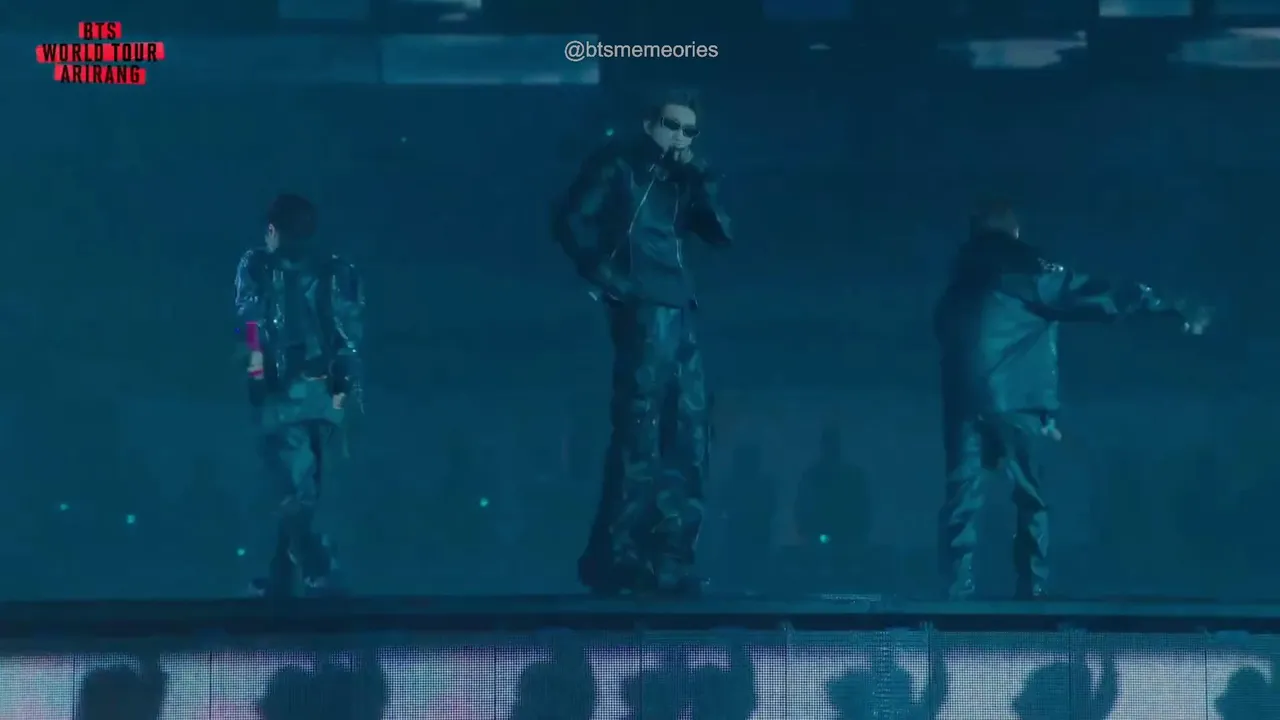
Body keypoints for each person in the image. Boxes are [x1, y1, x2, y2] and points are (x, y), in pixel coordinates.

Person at [933, 201, 1210, 600]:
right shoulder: (1026, 270)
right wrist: (1167, 307)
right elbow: (1094, 295)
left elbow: (946, 335)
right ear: (1014, 232)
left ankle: (954, 592)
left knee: (962, 498)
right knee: (1031, 497)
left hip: (963, 401)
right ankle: (1032, 588)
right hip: (1018, 400)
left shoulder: (958, 284)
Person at [552, 89, 732, 595]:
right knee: (641, 433)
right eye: (672, 125)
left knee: (690, 435)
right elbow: (570, 219)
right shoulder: (620, 163)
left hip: (680, 309)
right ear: (650, 123)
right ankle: (617, 556)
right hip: (644, 309)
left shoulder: (683, 176)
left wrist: (701, 176)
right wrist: (611, 280)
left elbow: (721, 234)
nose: (679, 137)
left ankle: (669, 559)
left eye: (689, 130)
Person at [234, 193, 365, 598]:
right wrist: (259, 371)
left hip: (314, 394)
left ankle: (306, 566)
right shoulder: (261, 267)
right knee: (293, 485)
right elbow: (252, 325)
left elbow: (346, 334)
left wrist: (342, 391)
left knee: (301, 488)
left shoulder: (332, 272)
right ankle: (294, 570)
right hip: (293, 394)